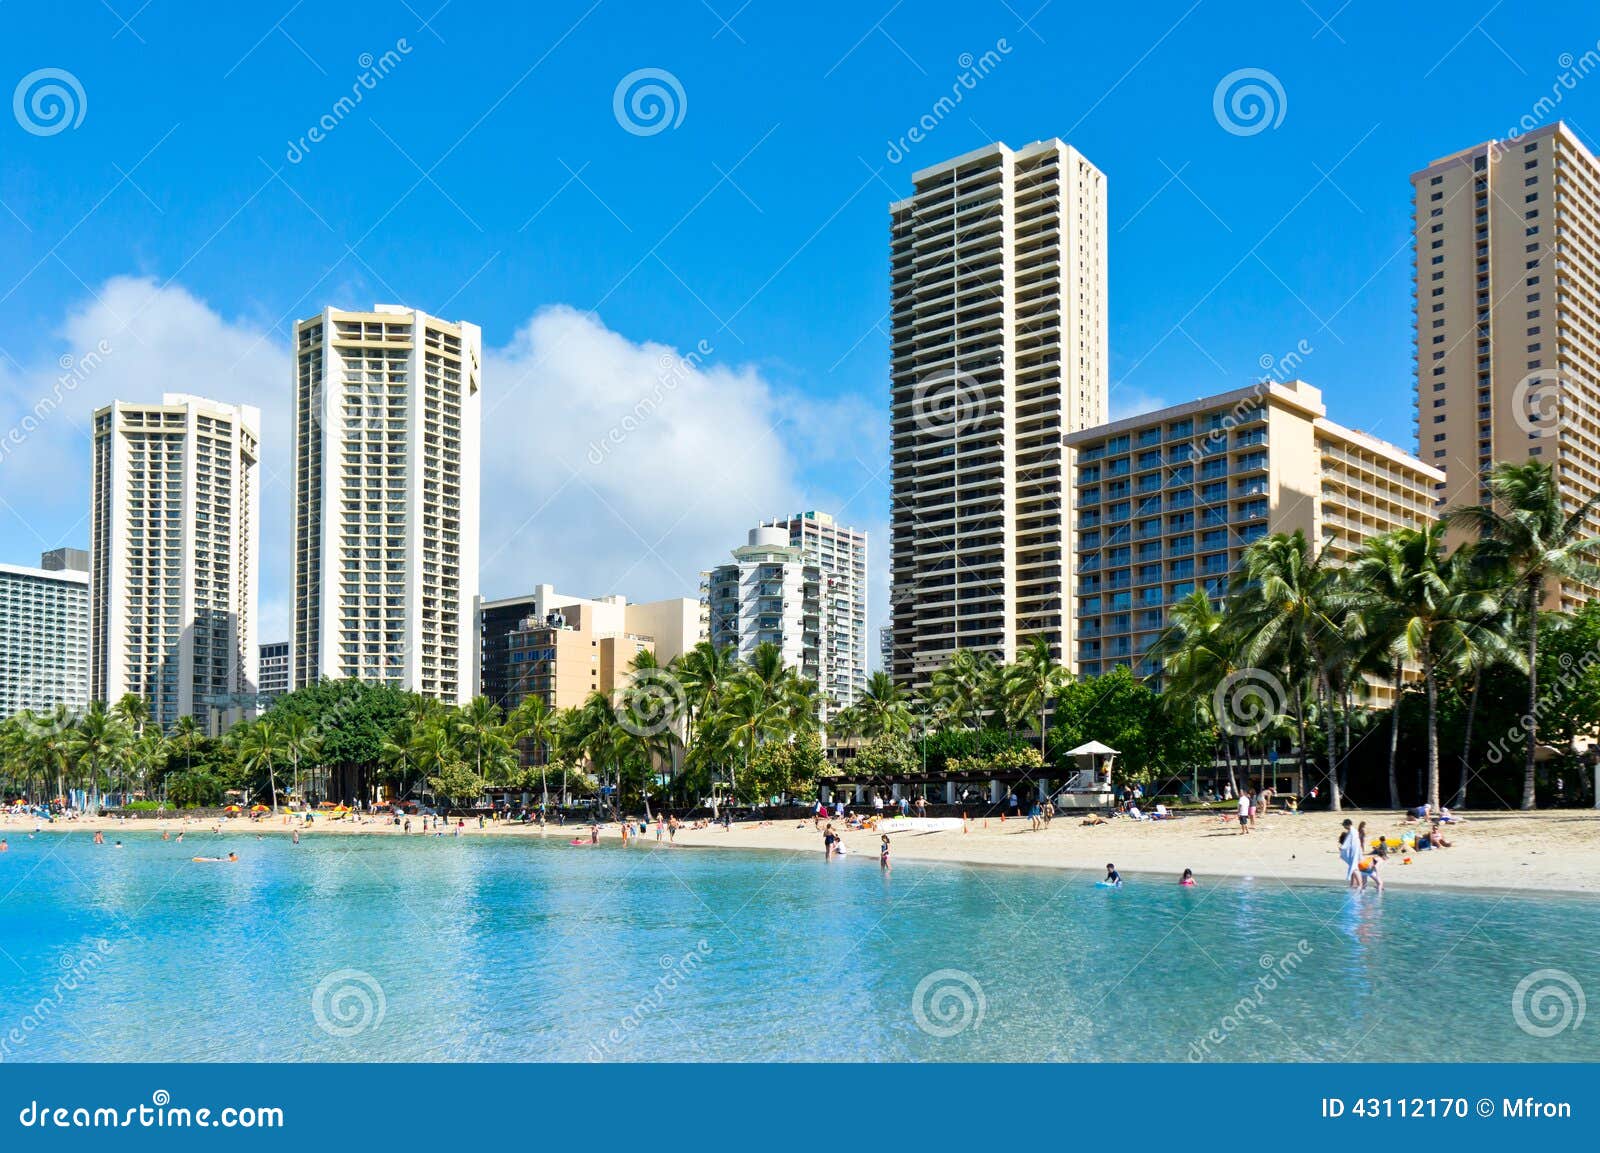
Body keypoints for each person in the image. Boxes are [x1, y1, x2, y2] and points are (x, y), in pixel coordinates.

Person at [1338, 818, 1359, 887]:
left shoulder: (1352, 832)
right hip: (1355, 851)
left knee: (1353, 867)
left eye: (1344, 825)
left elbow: (1348, 842)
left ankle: (1359, 884)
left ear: (1347, 825)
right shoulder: (1353, 831)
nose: (1343, 827)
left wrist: (1342, 848)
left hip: (1354, 851)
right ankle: (1353, 884)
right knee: (1352, 866)